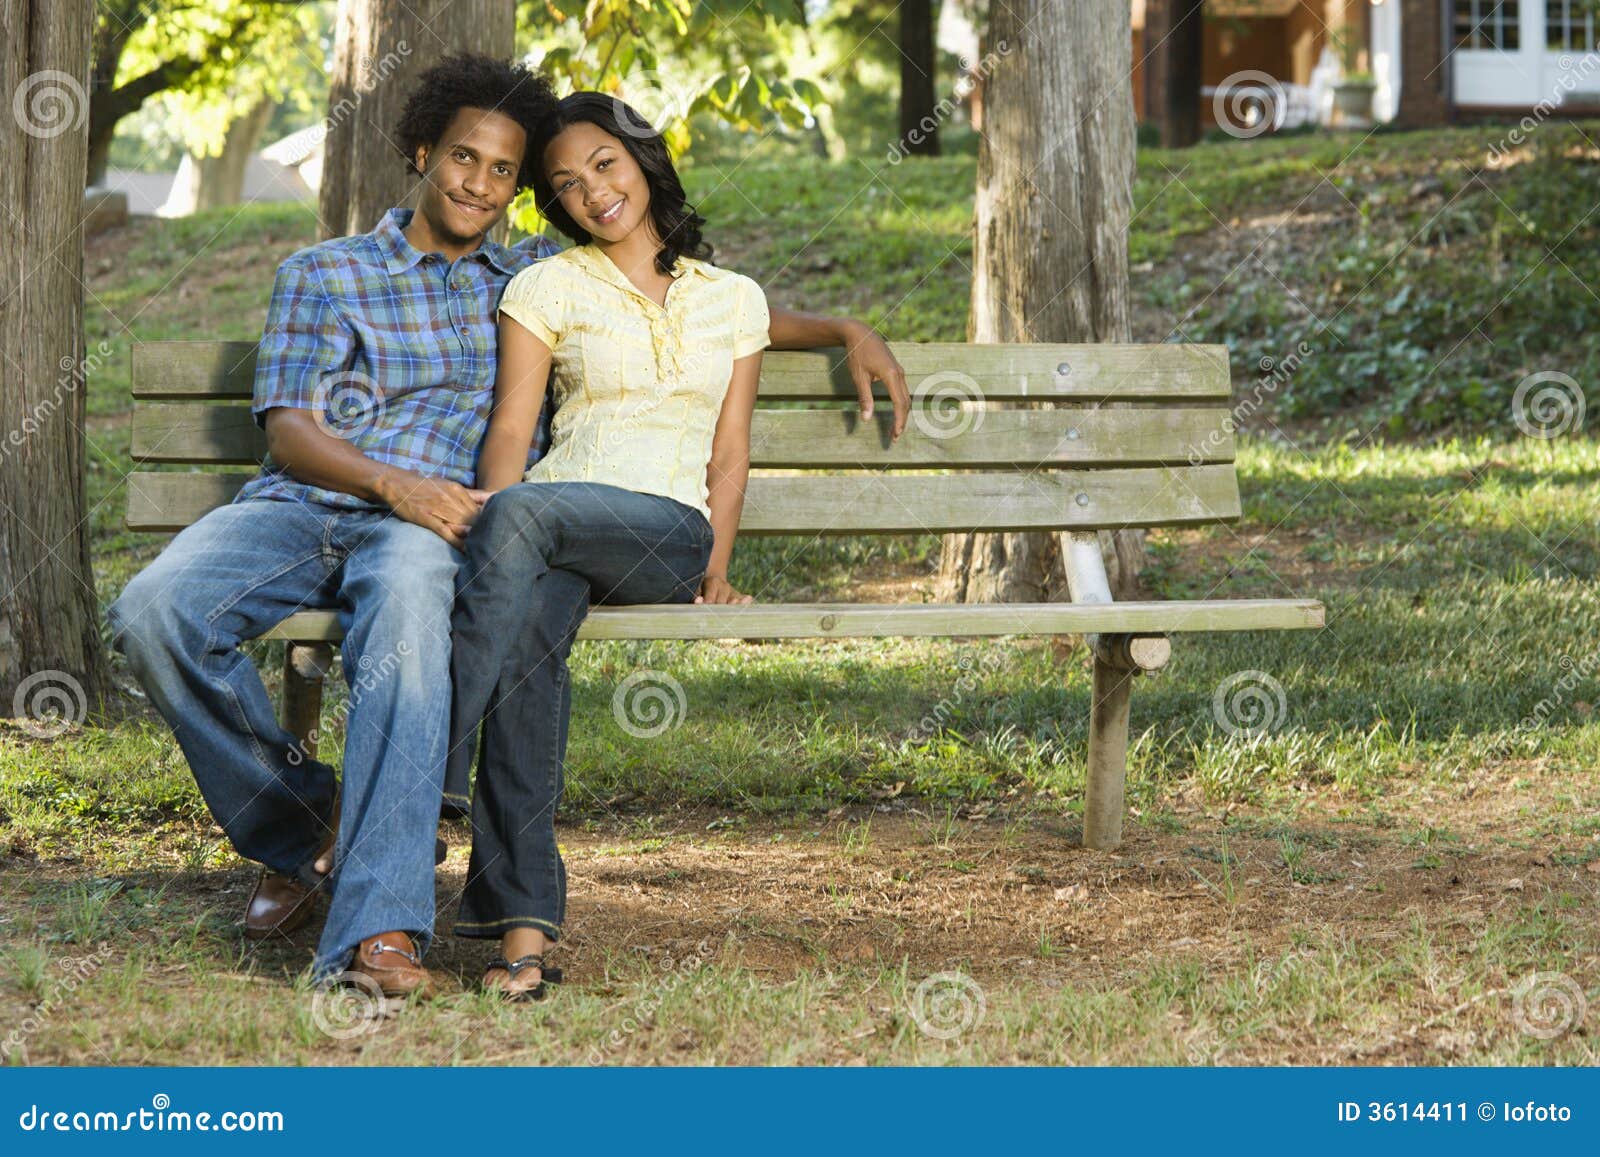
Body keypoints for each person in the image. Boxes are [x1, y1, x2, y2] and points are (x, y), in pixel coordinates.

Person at [108, 54, 910, 1001]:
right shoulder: (325, 273)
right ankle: (306, 823)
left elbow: (689, 300)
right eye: (462, 159)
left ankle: (380, 938)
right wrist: (393, 484)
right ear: (422, 153)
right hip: (307, 506)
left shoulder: (535, 272)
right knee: (152, 611)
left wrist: (841, 328)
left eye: (502, 171)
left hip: (439, 531)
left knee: (406, 650)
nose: (479, 184)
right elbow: (289, 431)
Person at [445, 92, 889, 1000]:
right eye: (566, 184)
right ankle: (522, 942)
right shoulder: (547, 288)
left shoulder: (733, 301)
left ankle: (428, 773)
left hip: (666, 537)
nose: (592, 193)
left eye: (604, 164)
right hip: (551, 531)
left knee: (524, 513)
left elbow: (730, 451)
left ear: (642, 159)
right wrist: (498, 520)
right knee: (528, 645)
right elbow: (511, 432)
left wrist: (717, 567)